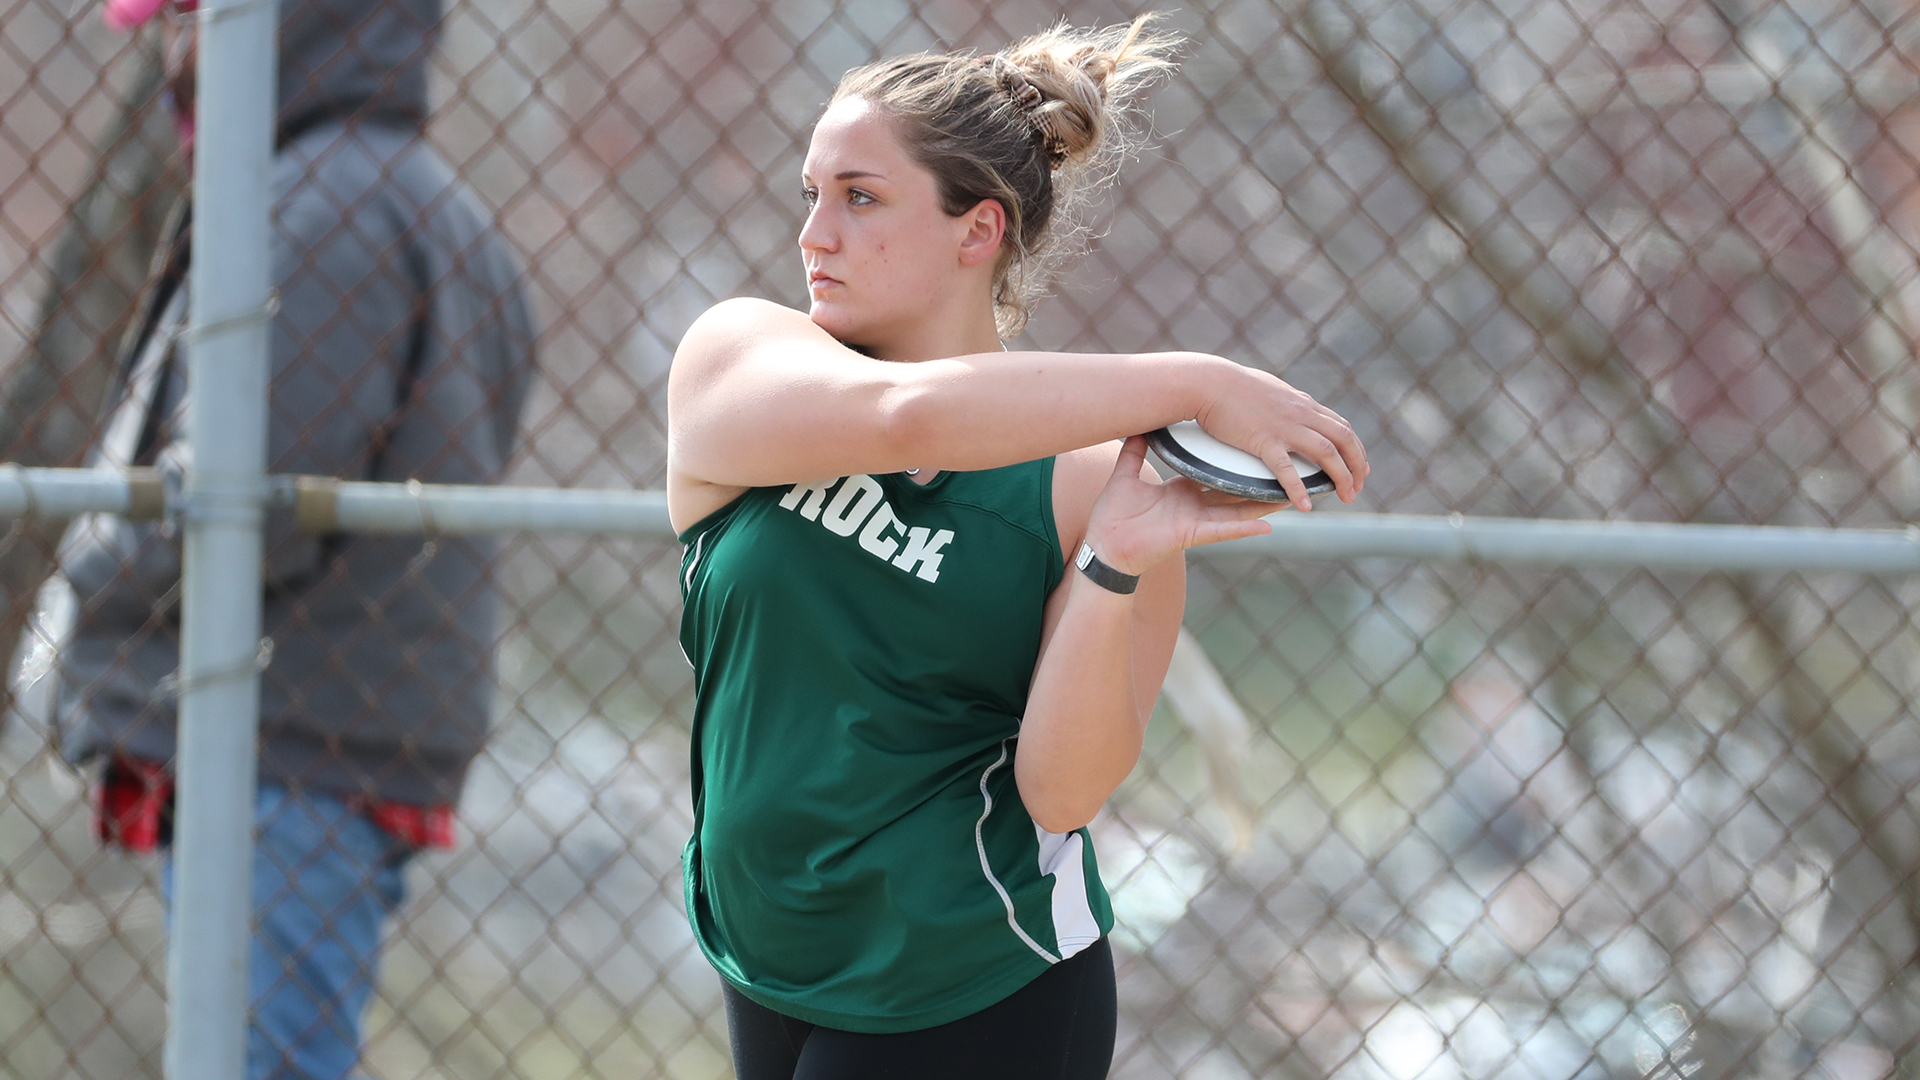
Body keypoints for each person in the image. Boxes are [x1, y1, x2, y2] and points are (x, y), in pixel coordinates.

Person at [666, 17, 1368, 1080]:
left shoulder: (1090, 483)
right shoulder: (739, 359)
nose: (815, 233)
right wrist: (1196, 381)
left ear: (978, 229)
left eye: (860, 197)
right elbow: (906, 417)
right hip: (767, 958)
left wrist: (1113, 565)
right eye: (811, 193)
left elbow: (1062, 794)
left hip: (974, 976)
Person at [55, 0, 533, 1076]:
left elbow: (248, 498)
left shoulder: (325, 204)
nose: (176, 58)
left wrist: (84, 577)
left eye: (192, 22)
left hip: (287, 740)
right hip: (315, 729)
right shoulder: (398, 195)